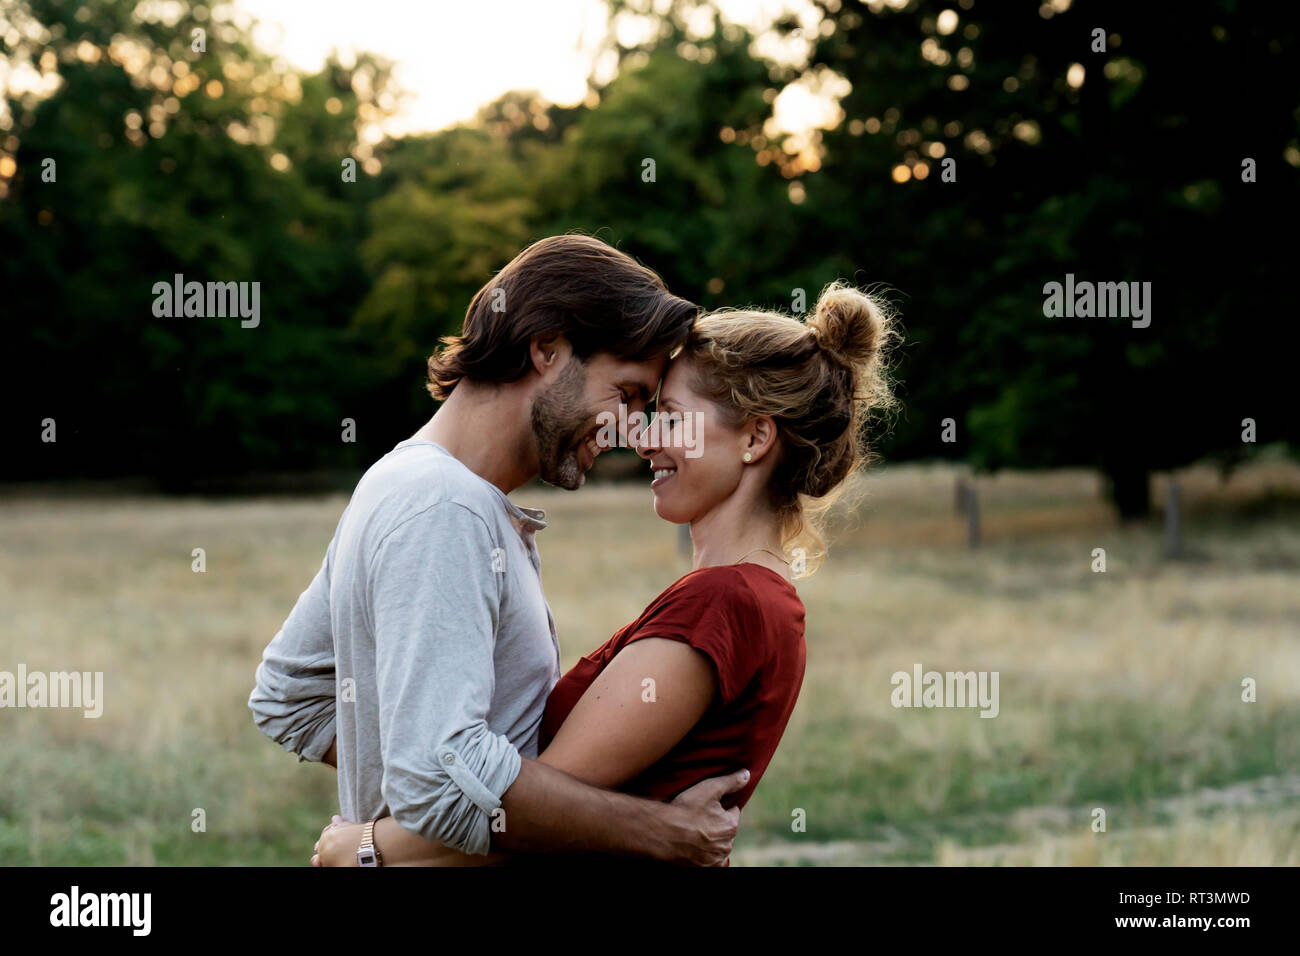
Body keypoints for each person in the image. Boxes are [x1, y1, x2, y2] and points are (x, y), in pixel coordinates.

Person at [313, 280, 898, 866]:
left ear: (754, 436)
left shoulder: (726, 602)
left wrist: (366, 849)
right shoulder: (748, 596)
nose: (641, 439)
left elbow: (528, 813)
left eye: (670, 418)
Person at [250, 234, 747, 867]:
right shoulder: (444, 507)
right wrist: (657, 831)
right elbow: (434, 775)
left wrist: (398, 792)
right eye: (625, 393)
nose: (632, 429)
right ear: (546, 348)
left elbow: (289, 694)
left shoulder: (410, 482)